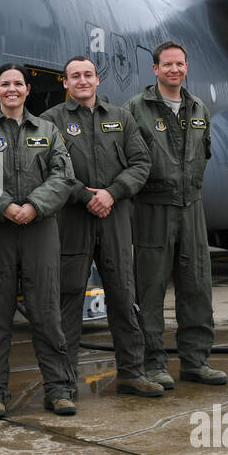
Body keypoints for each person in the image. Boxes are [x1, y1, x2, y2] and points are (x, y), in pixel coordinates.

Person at [41, 56, 161, 397]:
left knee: (124, 296)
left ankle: (131, 374)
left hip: (115, 220)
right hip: (71, 222)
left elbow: (141, 163)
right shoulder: (52, 121)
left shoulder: (120, 118)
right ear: (65, 83)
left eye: (88, 75)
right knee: (67, 300)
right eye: (75, 76)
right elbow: (53, 169)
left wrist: (112, 193)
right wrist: (84, 196)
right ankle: (62, 384)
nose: (82, 80)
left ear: (97, 80)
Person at [0, 64, 80, 416]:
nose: (12, 89)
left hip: (40, 231)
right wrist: (4, 206)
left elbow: (63, 177)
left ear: (27, 90)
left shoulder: (48, 131)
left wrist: (34, 206)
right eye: (4, 84)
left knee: (47, 312)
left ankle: (59, 388)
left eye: (18, 84)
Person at [124, 42, 227, 387]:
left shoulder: (199, 108)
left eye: (179, 64)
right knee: (149, 291)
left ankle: (196, 362)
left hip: (192, 207)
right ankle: (153, 364)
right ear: (155, 69)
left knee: (197, 286)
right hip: (153, 208)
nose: (174, 70)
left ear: (186, 67)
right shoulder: (135, 109)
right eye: (167, 65)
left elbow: (205, 151)